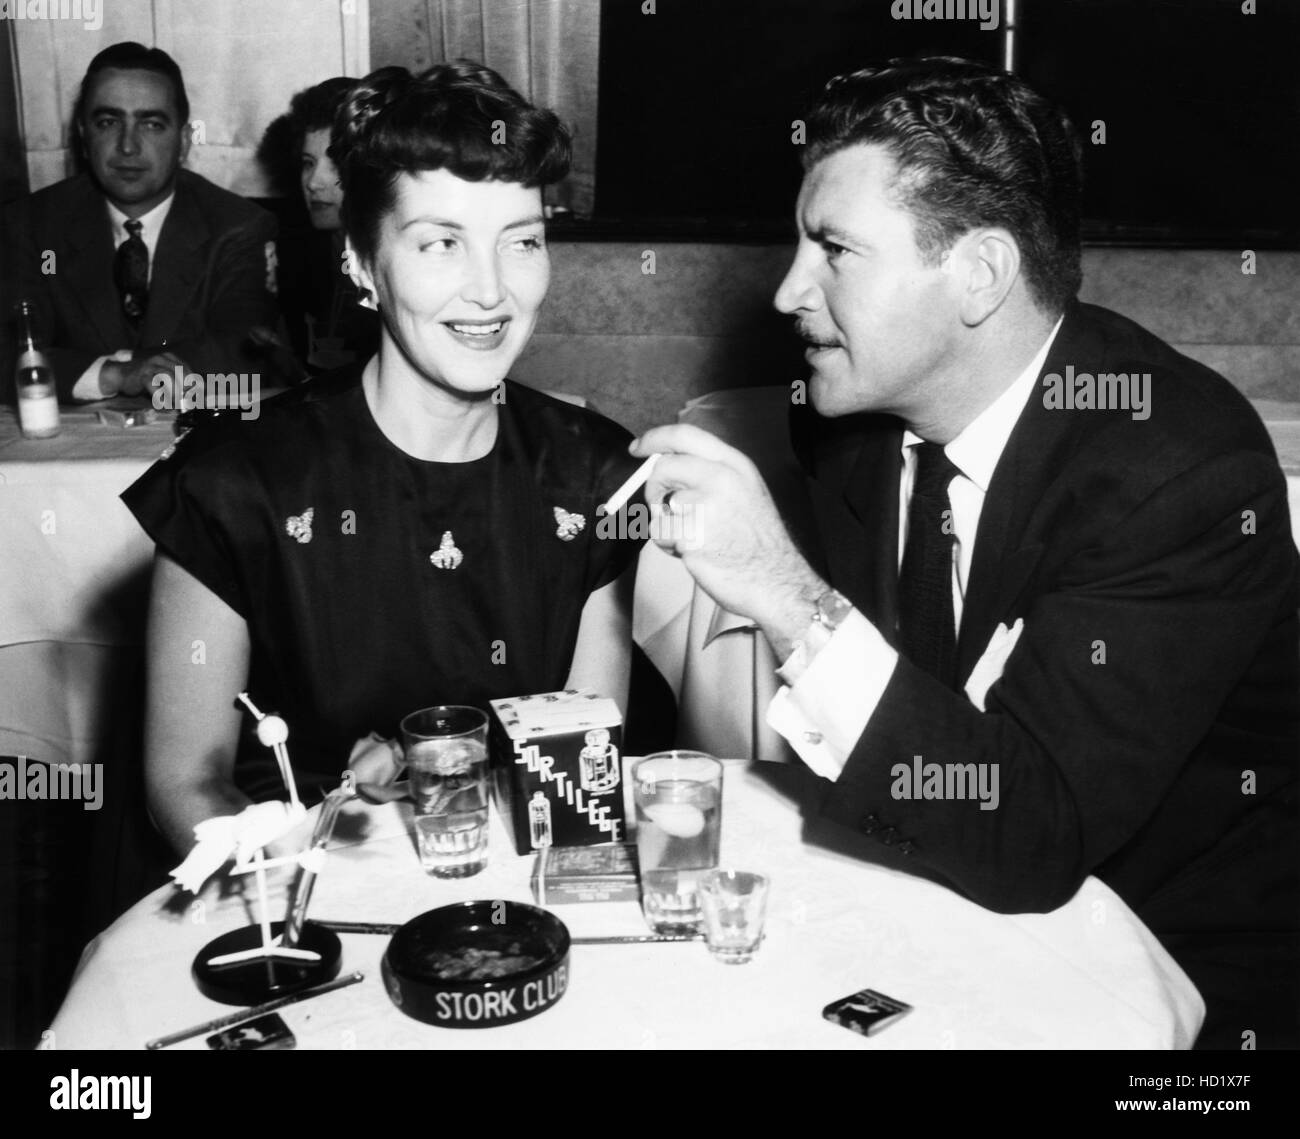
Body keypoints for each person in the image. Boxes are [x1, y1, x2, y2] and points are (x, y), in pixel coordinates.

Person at [633, 57, 1299, 1048]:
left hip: (1176, 967)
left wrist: (785, 593)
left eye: (834, 251)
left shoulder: (1177, 468)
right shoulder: (848, 427)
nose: (785, 293)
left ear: (979, 274)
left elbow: (1032, 834)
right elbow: (921, 750)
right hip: (945, 896)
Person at [122, 62, 642, 858]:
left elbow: (574, 783)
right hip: (301, 902)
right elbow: (184, 781)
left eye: (523, 241)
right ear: (362, 264)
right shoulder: (237, 479)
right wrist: (321, 876)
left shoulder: (591, 475)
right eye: (441, 243)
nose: (491, 291)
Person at [0, 41, 279, 403]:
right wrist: (114, 374)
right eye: (108, 122)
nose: (128, 146)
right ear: (84, 137)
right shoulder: (31, 226)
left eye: (151, 124)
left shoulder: (238, 227)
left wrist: (115, 369)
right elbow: (9, 353)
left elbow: (246, 357)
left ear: (183, 140)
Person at [256, 77, 380, 378]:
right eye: (308, 163)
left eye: (335, 164)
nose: (313, 183)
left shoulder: (392, 259)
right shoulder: (299, 250)